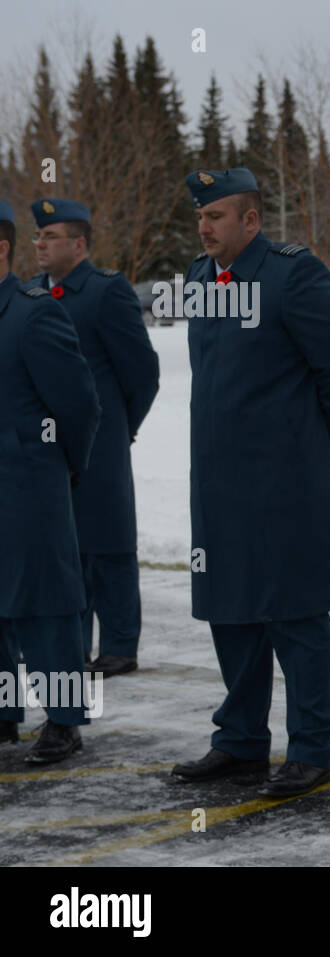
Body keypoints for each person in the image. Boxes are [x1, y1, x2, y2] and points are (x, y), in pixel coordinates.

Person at [170, 168, 330, 797]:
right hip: (219, 482)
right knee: (231, 611)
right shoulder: (201, 279)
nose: (204, 227)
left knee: (294, 612)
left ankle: (310, 749)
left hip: (285, 479)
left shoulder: (292, 273)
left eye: (217, 216)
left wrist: (315, 442)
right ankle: (241, 740)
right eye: (200, 217)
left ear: (251, 220)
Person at [25, 198, 160, 677]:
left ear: (79, 245)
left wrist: (122, 427)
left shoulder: (105, 292)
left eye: (51, 236)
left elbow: (142, 372)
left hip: (100, 440)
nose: (39, 243)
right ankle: (72, 645)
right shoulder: (30, 294)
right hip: (44, 446)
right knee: (64, 547)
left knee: (110, 543)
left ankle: (120, 645)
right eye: (38, 236)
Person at [0, 198, 102, 763]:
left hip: (29, 486)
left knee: (47, 607)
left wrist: (62, 467)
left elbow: (79, 405)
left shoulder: (32, 312)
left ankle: (64, 721)